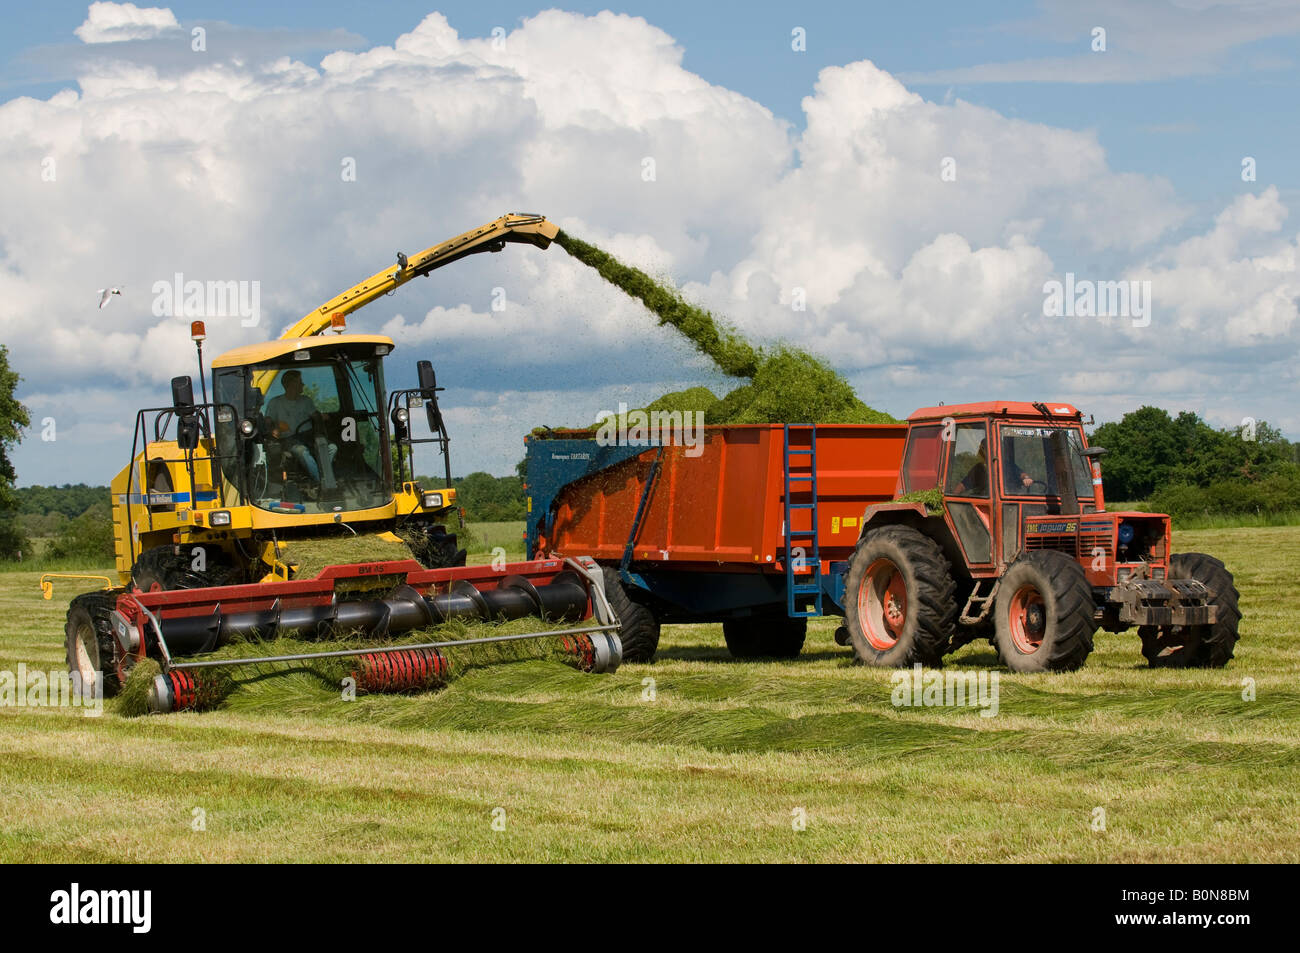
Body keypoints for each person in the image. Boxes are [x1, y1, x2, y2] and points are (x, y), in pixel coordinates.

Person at [265, 370, 335, 482]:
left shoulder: (306, 401)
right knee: (303, 452)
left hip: (308, 436)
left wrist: (321, 418)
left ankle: (323, 476)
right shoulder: (275, 403)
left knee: (331, 448)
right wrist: (273, 429)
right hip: (289, 439)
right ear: (291, 384)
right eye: (300, 382)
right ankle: (321, 482)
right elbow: (268, 421)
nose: (303, 384)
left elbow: (316, 416)